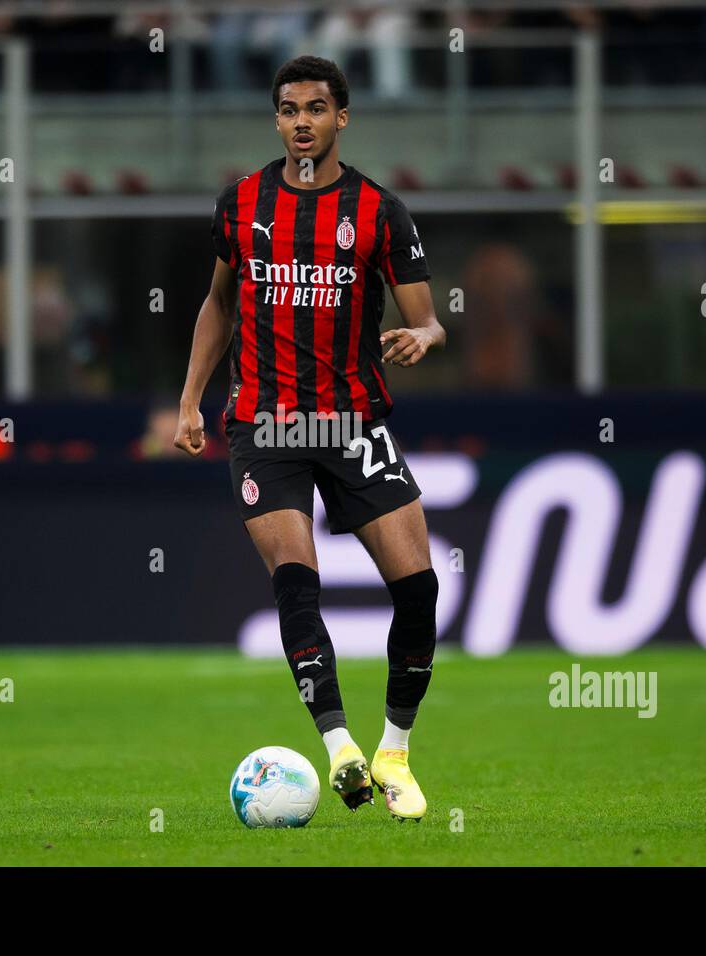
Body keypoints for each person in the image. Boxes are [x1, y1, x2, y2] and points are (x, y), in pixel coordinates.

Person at [173, 55, 445, 822]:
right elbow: (218, 305)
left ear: (341, 118)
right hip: (266, 422)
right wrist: (191, 402)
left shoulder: (381, 212)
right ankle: (340, 750)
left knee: (418, 589)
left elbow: (425, 314)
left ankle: (393, 749)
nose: (302, 121)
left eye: (317, 108)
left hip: (353, 421)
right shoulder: (243, 203)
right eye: (290, 108)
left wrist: (423, 335)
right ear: (278, 118)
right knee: (297, 579)